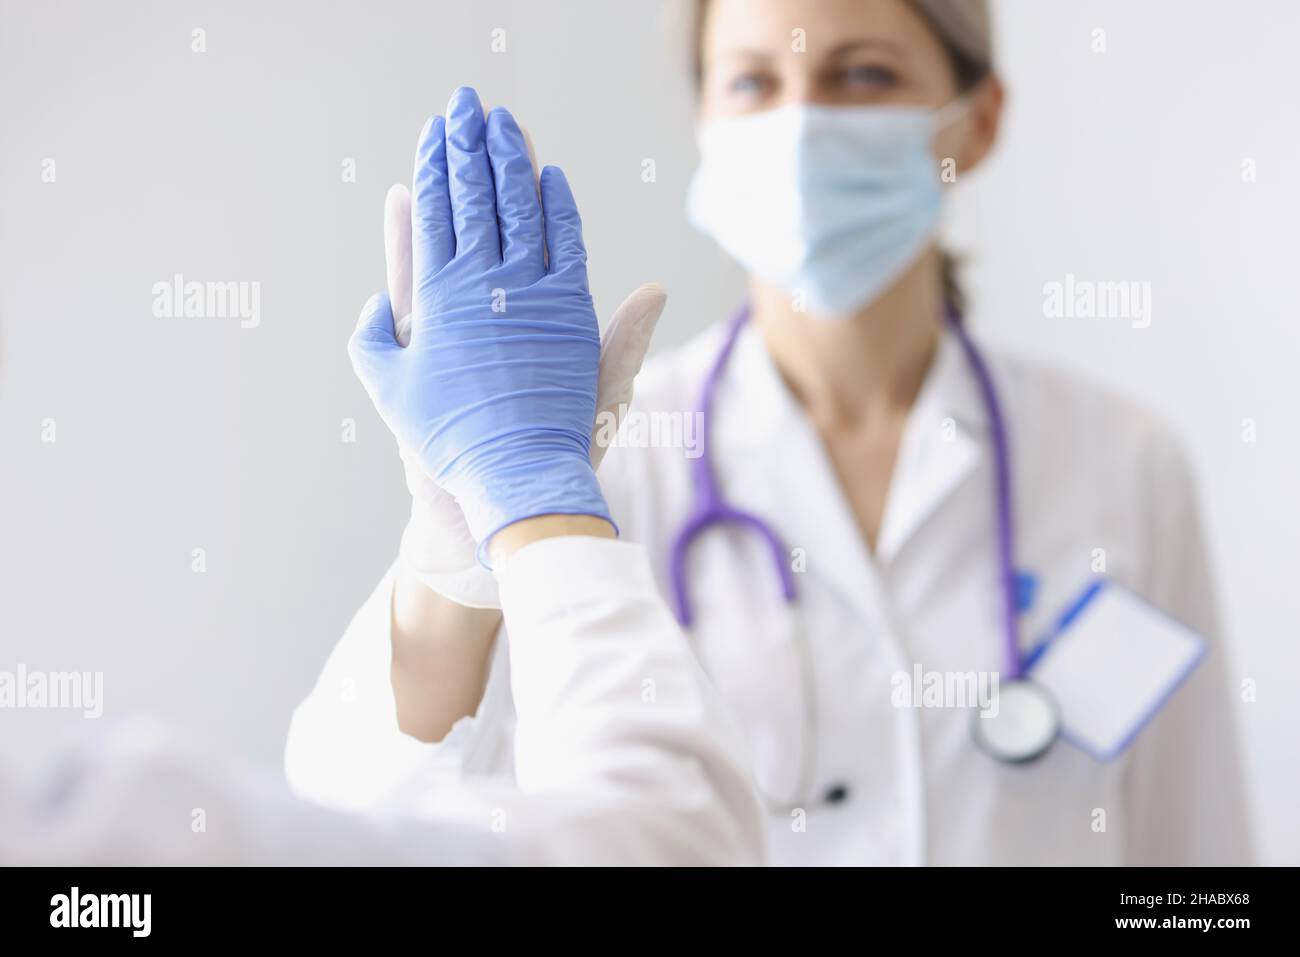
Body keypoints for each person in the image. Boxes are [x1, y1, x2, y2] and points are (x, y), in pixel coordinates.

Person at [287, 0, 1254, 865]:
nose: (799, 124)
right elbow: (367, 809)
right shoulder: (589, 463)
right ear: (704, 117)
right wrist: (451, 559)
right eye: (752, 81)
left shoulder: (1123, 461)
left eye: (862, 74)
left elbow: (1199, 858)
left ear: (978, 122)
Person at [0, 101, 764, 865]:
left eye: (864, 74)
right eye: (757, 79)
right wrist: (469, 557)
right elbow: (356, 797)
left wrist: (528, 497)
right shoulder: (610, 445)